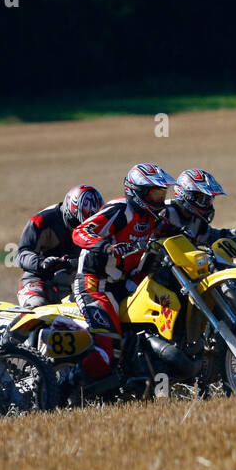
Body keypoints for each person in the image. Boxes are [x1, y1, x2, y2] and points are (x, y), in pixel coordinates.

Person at [70, 163, 176, 380]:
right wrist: (102, 245)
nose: (160, 199)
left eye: (162, 193)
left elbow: (176, 231)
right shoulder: (120, 210)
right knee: (108, 353)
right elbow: (80, 231)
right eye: (156, 193)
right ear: (138, 193)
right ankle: (65, 385)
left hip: (125, 283)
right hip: (94, 285)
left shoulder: (152, 218)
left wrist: (215, 236)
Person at [16, 184, 103, 307]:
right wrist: (42, 263)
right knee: (38, 307)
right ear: (69, 212)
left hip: (66, 287)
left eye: (86, 227)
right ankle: (18, 325)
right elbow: (21, 254)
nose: (80, 230)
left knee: (89, 312)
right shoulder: (41, 221)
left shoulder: (96, 229)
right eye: (76, 224)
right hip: (36, 282)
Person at [162, 169, 236, 254]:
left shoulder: (197, 220)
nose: (207, 204)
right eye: (202, 199)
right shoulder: (165, 212)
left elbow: (210, 235)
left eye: (209, 200)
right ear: (186, 195)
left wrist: (235, 237)